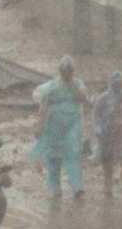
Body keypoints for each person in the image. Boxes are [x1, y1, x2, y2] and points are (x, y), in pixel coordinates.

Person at [30, 56, 86, 202]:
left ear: (73, 72)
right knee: (54, 157)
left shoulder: (78, 84)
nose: (67, 74)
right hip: (54, 126)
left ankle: (77, 187)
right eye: (65, 72)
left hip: (72, 125)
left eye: (70, 72)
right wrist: (39, 126)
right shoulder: (51, 87)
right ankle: (55, 189)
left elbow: (83, 98)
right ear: (60, 72)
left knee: (73, 154)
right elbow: (43, 107)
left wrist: (73, 86)